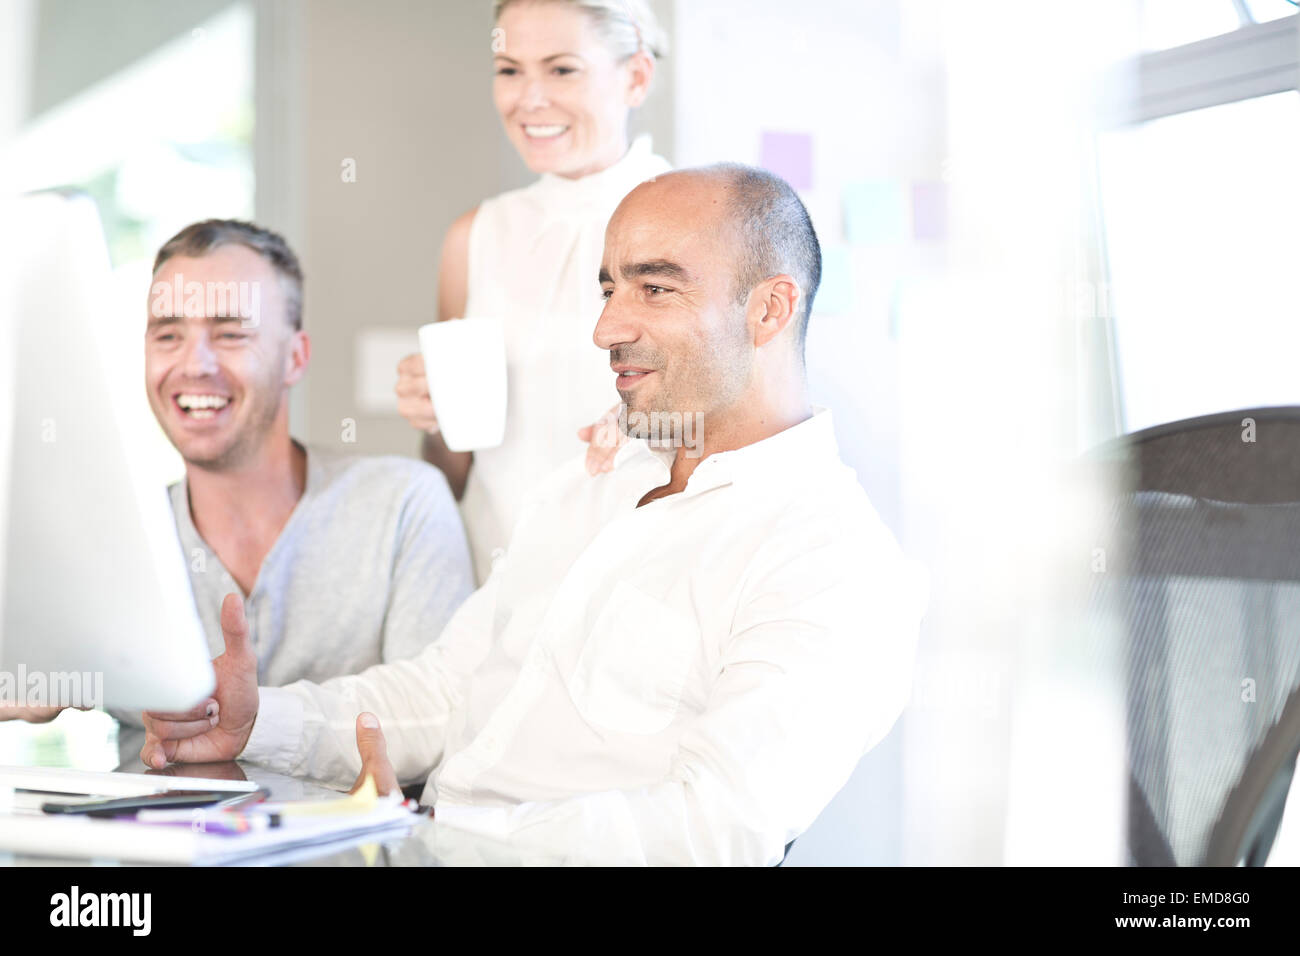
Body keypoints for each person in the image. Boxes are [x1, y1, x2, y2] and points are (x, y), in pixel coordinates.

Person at [141, 167, 926, 866]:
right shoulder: (589, 488)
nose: (606, 328)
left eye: (655, 288)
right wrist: (253, 722)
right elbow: (445, 692)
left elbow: (715, 831)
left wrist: (429, 840)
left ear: (770, 310)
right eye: (609, 287)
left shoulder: (832, 561)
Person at [1, 220, 476, 725]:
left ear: (295, 357)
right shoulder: (105, 547)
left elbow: (439, 714)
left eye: (230, 333)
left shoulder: (402, 505)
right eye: (168, 334)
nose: (194, 364)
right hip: (141, 804)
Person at [395, 0, 671, 584]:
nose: (529, 98)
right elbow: (455, 469)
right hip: (490, 598)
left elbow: (730, 437)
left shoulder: (693, 228)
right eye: (509, 69)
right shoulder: (475, 236)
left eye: (562, 68)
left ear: (636, 76)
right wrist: (437, 418)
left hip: (636, 589)